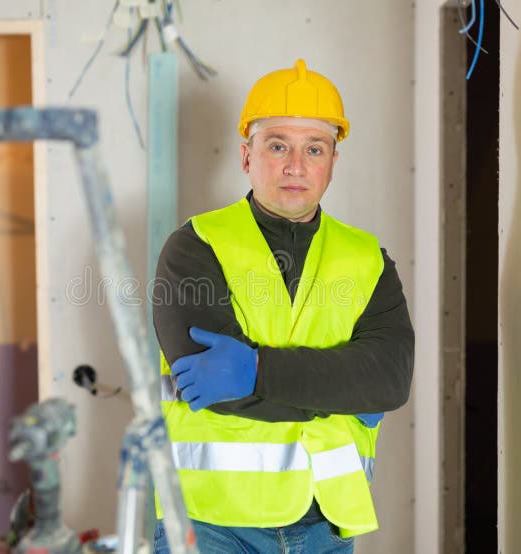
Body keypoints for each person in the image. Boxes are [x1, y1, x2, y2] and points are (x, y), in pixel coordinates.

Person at [152, 59, 414, 553]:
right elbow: (208, 383)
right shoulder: (196, 245)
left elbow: (391, 380)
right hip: (209, 522)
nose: (296, 166)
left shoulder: (367, 259)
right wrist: (345, 389)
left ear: (332, 161)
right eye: (277, 146)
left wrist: (255, 370)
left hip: (326, 522)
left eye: (314, 148)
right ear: (246, 156)